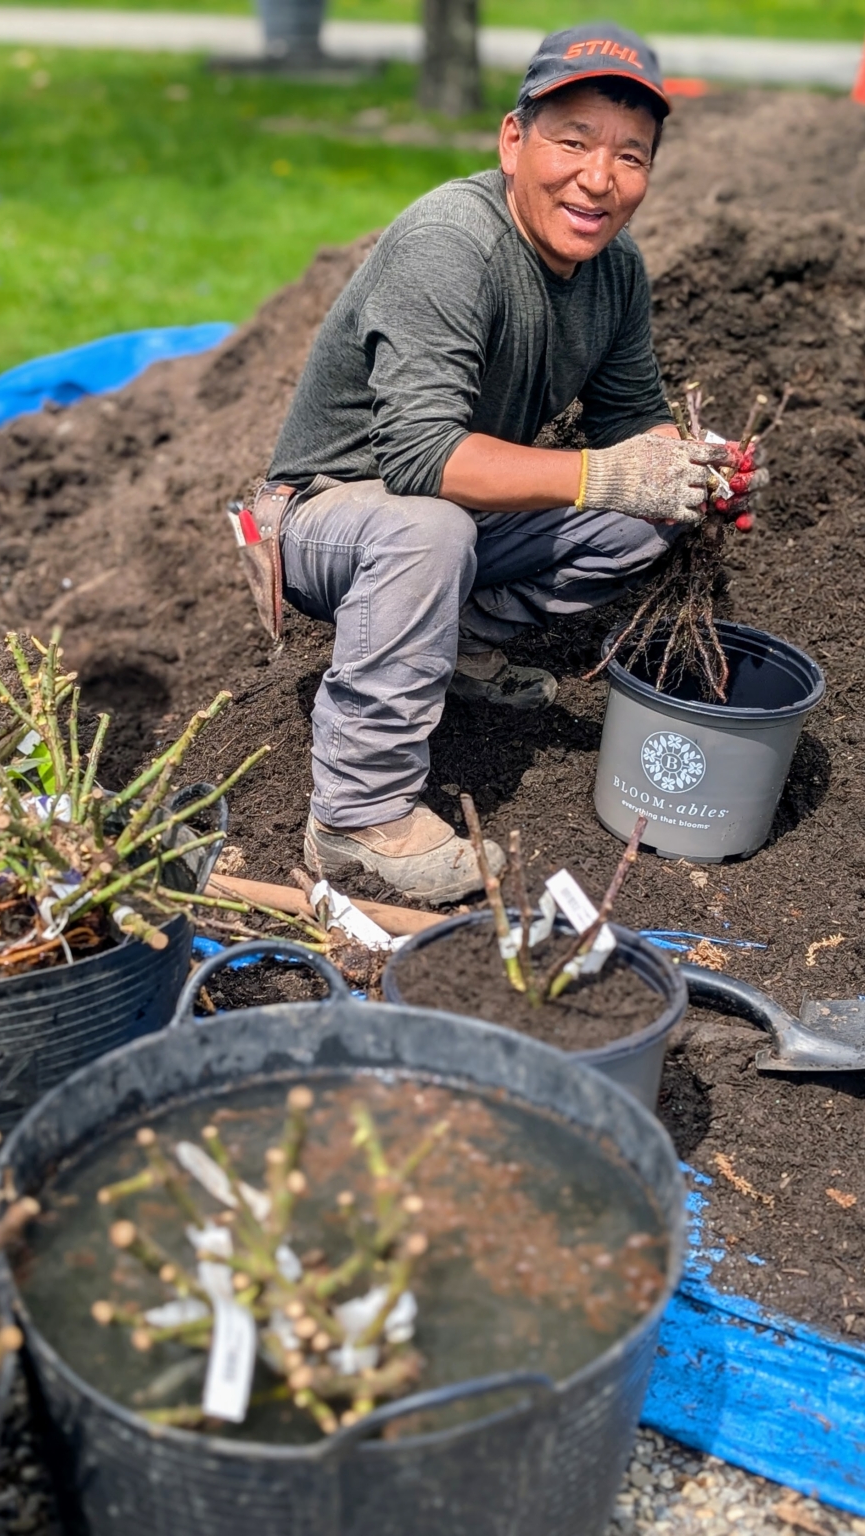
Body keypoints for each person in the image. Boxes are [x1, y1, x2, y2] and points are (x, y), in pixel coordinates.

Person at [262, 21, 764, 903]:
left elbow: (631, 422)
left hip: (459, 513)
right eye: (572, 142)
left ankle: (455, 648)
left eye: (631, 157)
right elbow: (419, 458)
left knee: (647, 512)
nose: (599, 179)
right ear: (512, 138)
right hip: (325, 516)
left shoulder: (614, 272)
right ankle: (354, 818)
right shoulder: (451, 243)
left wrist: (692, 468)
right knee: (429, 530)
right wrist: (601, 473)